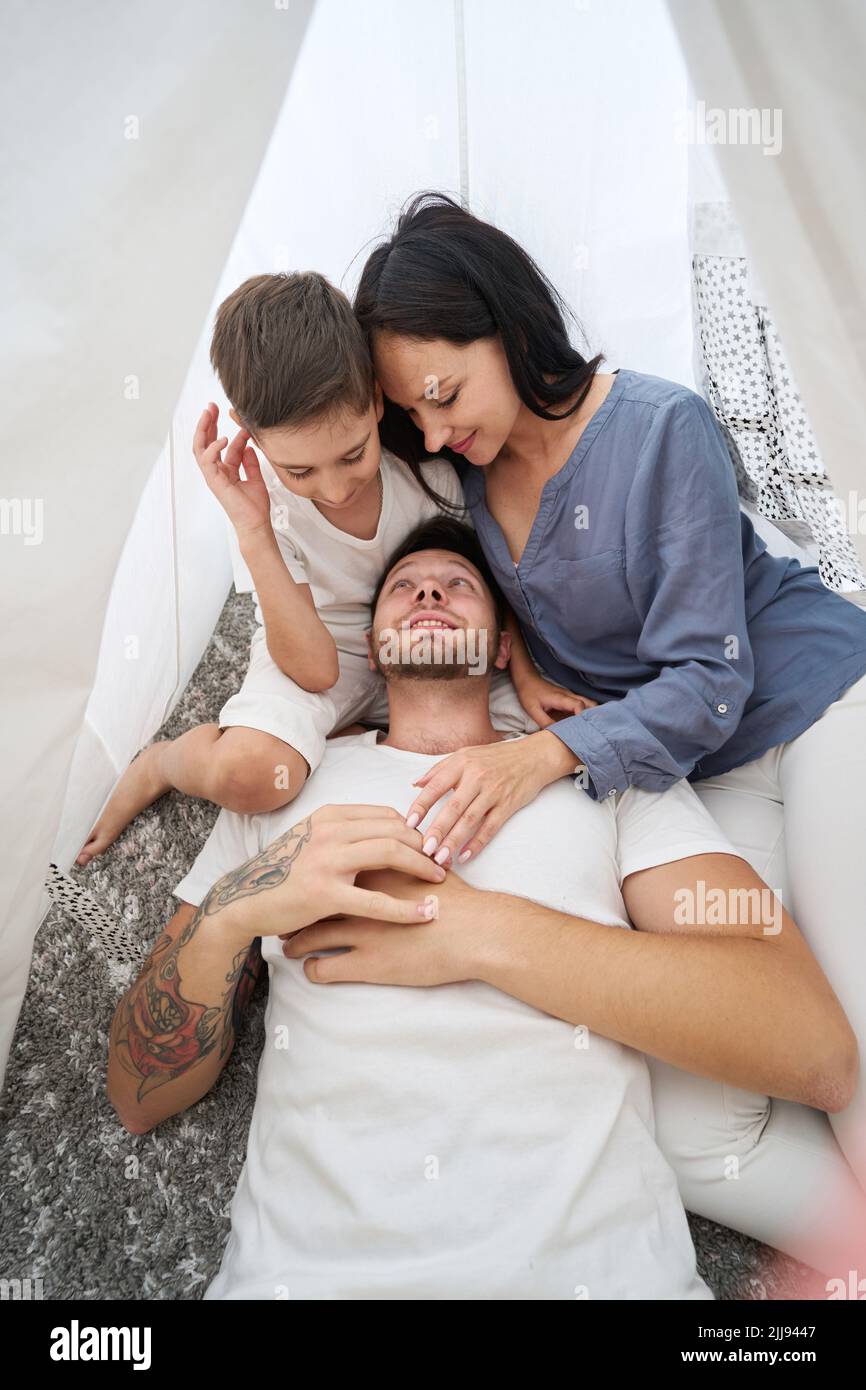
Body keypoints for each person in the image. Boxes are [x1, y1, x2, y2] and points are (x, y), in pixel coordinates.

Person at [107, 519, 860, 1300]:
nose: (429, 590)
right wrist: (232, 912)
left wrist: (477, 932)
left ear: (504, 649)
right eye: (404, 587)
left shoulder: (600, 774)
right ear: (370, 646)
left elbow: (813, 1048)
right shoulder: (284, 793)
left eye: (458, 585)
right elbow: (137, 1097)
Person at [355, 191, 866, 1190]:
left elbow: (712, 680)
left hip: (811, 707)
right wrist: (523, 661)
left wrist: (539, 753)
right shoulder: (461, 475)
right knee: (694, 1131)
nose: (433, 426)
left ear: (503, 328)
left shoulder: (659, 426)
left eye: (443, 392)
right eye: (411, 412)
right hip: (688, 774)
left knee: (846, 1052)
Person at [77, 272, 588, 868]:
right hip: (321, 646)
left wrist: (524, 675)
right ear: (252, 434)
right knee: (255, 777)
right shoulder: (264, 501)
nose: (336, 487)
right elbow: (315, 669)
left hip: (432, 643)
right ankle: (166, 761)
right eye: (302, 472)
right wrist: (254, 531)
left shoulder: (430, 471)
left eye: (352, 455)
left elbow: (494, 583)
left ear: (375, 399)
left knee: (558, 745)